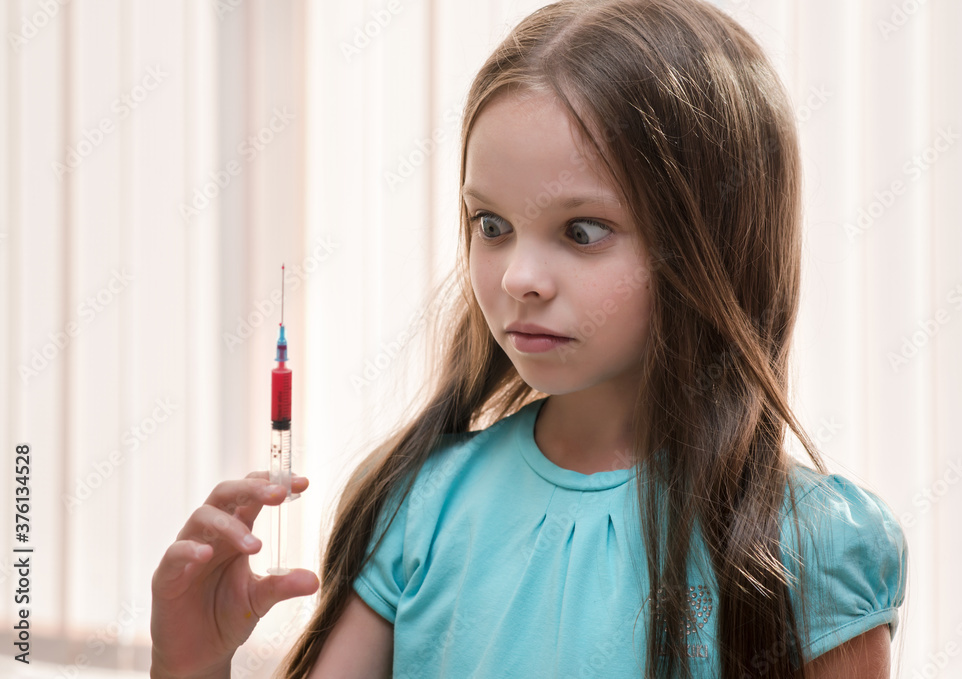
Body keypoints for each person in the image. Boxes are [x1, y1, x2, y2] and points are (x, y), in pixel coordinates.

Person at [151, 0, 908, 677]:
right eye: (492, 226)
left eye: (582, 231)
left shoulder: (811, 547)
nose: (517, 277)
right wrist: (191, 664)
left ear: (714, 244)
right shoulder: (421, 503)